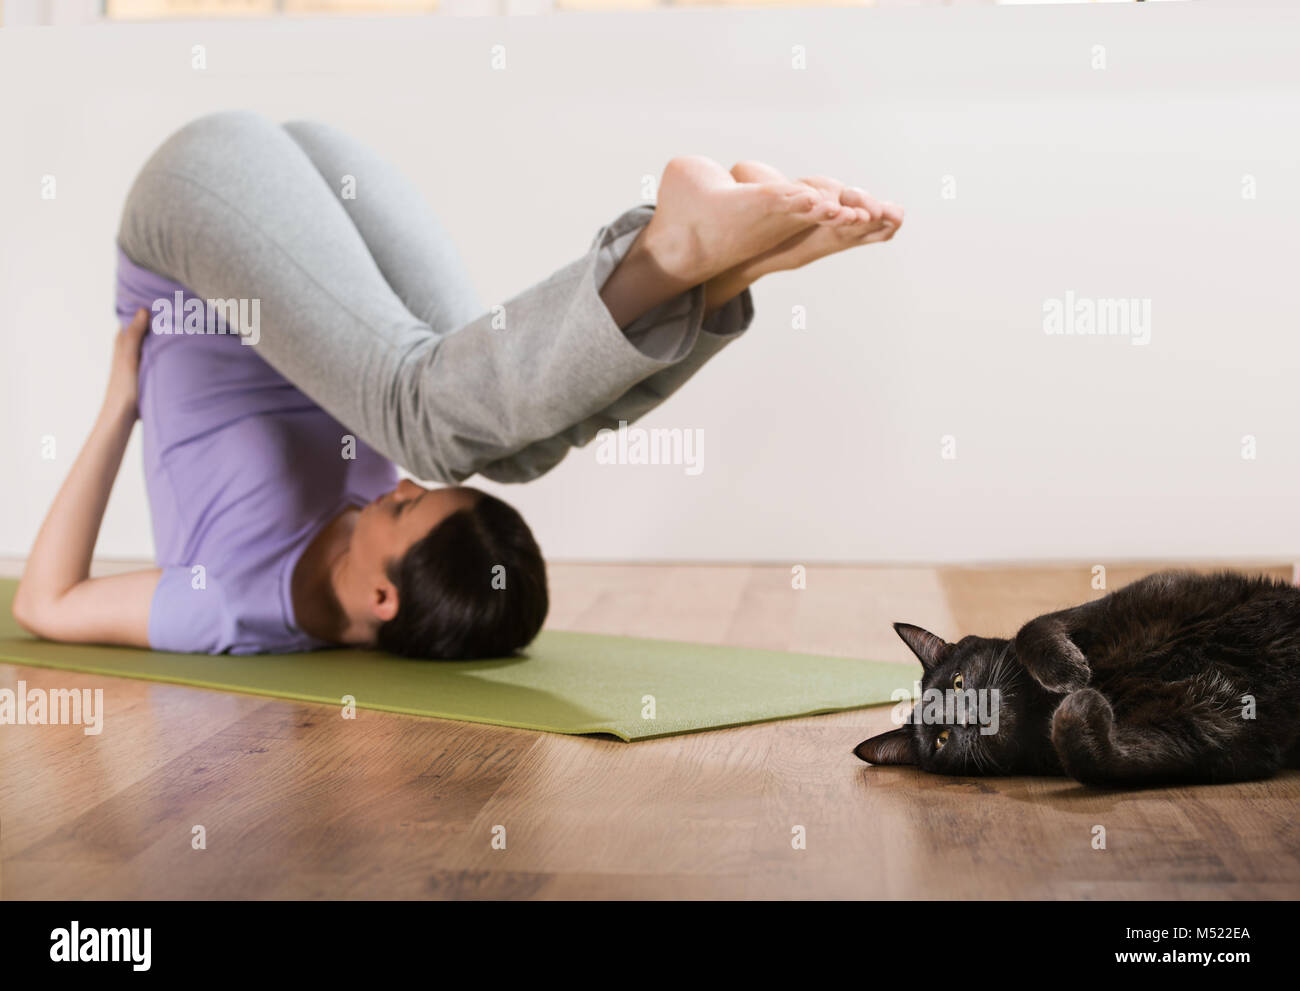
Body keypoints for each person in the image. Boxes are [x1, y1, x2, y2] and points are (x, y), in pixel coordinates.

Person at [13, 112, 902, 659]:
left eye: (402, 510)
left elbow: (44, 602)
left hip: (195, 211)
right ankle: (714, 279)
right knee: (492, 450)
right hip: (306, 194)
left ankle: (670, 255)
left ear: (381, 599)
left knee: (427, 426)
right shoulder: (382, 556)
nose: (396, 487)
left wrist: (115, 412)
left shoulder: (227, 603)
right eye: (415, 497)